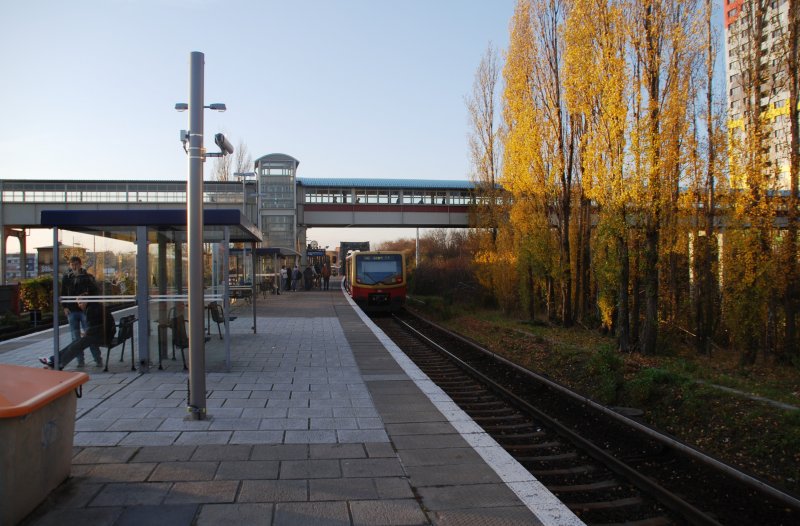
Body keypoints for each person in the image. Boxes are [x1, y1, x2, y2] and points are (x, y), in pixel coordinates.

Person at [40, 296, 115, 370]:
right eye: (78, 304)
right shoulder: (94, 307)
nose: (79, 305)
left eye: (80, 303)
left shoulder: (91, 309)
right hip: (103, 334)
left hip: (103, 337)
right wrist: (87, 333)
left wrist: (87, 333)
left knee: (76, 345)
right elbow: (97, 326)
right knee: (76, 343)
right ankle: (54, 361)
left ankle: (57, 364)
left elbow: (96, 326)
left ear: (86, 301)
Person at [61, 256, 102, 367]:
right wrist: (64, 306)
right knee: (75, 337)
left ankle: (97, 359)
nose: (74, 266)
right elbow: (63, 293)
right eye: (72, 264)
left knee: (89, 335)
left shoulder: (87, 277)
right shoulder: (66, 278)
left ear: (80, 264)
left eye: (76, 264)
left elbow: (95, 291)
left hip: (84, 310)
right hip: (72, 310)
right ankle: (80, 361)